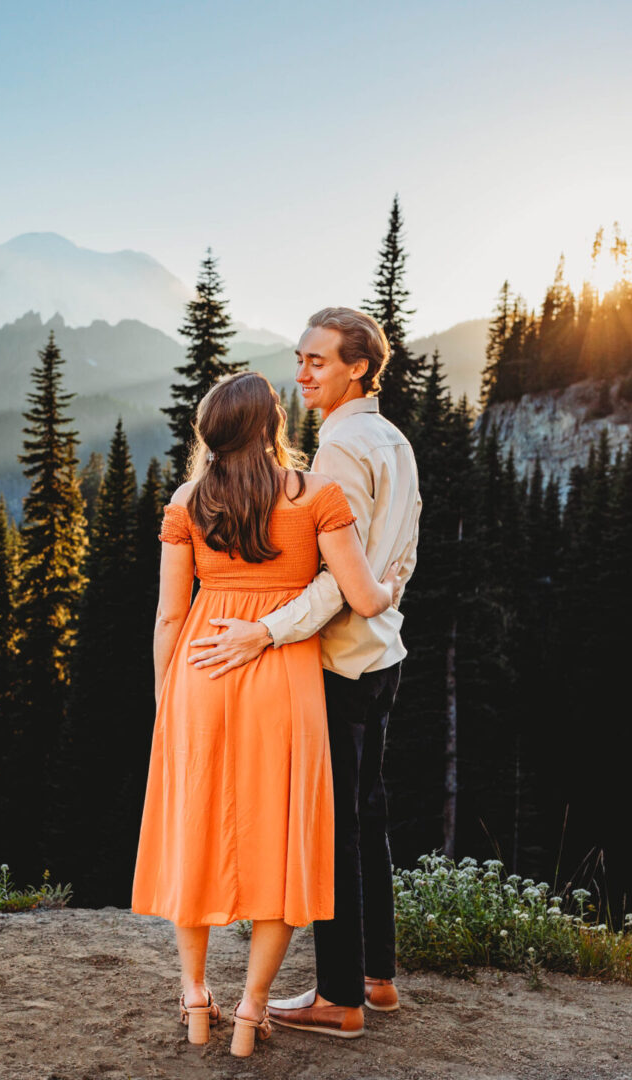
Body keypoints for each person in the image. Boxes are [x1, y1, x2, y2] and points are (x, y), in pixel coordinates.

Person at [130, 369, 401, 1058]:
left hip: (201, 670)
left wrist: (167, 699)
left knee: (195, 834)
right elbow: (362, 597)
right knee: (283, 842)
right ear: (272, 425)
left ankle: (196, 995)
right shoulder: (316, 495)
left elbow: (168, 616)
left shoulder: (186, 501)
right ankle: (252, 1009)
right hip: (283, 678)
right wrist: (391, 582)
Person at [186, 307, 422, 1040]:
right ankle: (378, 978)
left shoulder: (339, 450)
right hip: (383, 655)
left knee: (332, 831)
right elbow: (398, 552)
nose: (303, 373)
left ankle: (339, 998)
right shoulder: (394, 439)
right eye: (300, 358)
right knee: (369, 814)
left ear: (359, 366)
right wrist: (388, 591)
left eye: (318, 361)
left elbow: (336, 581)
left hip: (341, 658)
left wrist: (263, 631)